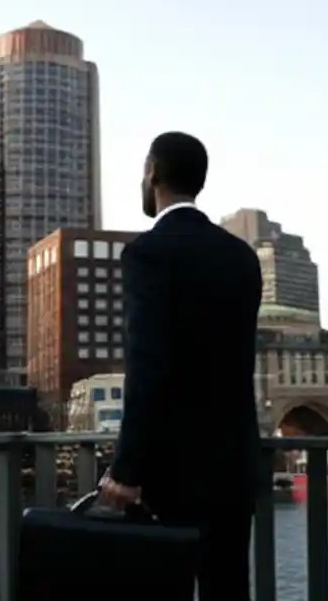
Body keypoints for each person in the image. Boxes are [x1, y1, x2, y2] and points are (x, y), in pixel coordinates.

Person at [98, 131, 264, 600]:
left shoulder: (147, 253)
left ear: (152, 173)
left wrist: (127, 469)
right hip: (233, 470)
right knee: (228, 590)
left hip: (169, 477)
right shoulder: (242, 258)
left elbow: (148, 367)